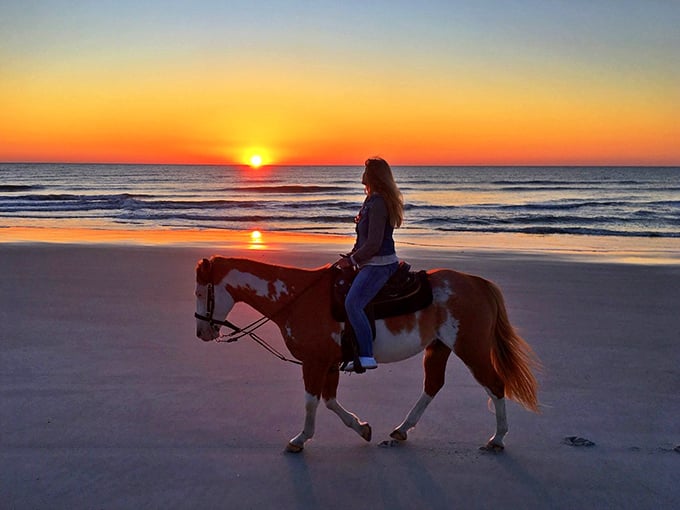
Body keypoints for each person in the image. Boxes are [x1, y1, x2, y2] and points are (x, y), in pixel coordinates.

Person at [336, 157, 404, 372]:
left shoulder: (378, 203)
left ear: (373, 175)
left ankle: (366, 354)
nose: (362, 174)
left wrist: (354, 260)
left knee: (353, 304)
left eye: (366, 171)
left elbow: (374, 243)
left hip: (379, 265)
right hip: (370, 262)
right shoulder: (371, 201)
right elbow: (363, 240)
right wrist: (352, 254)